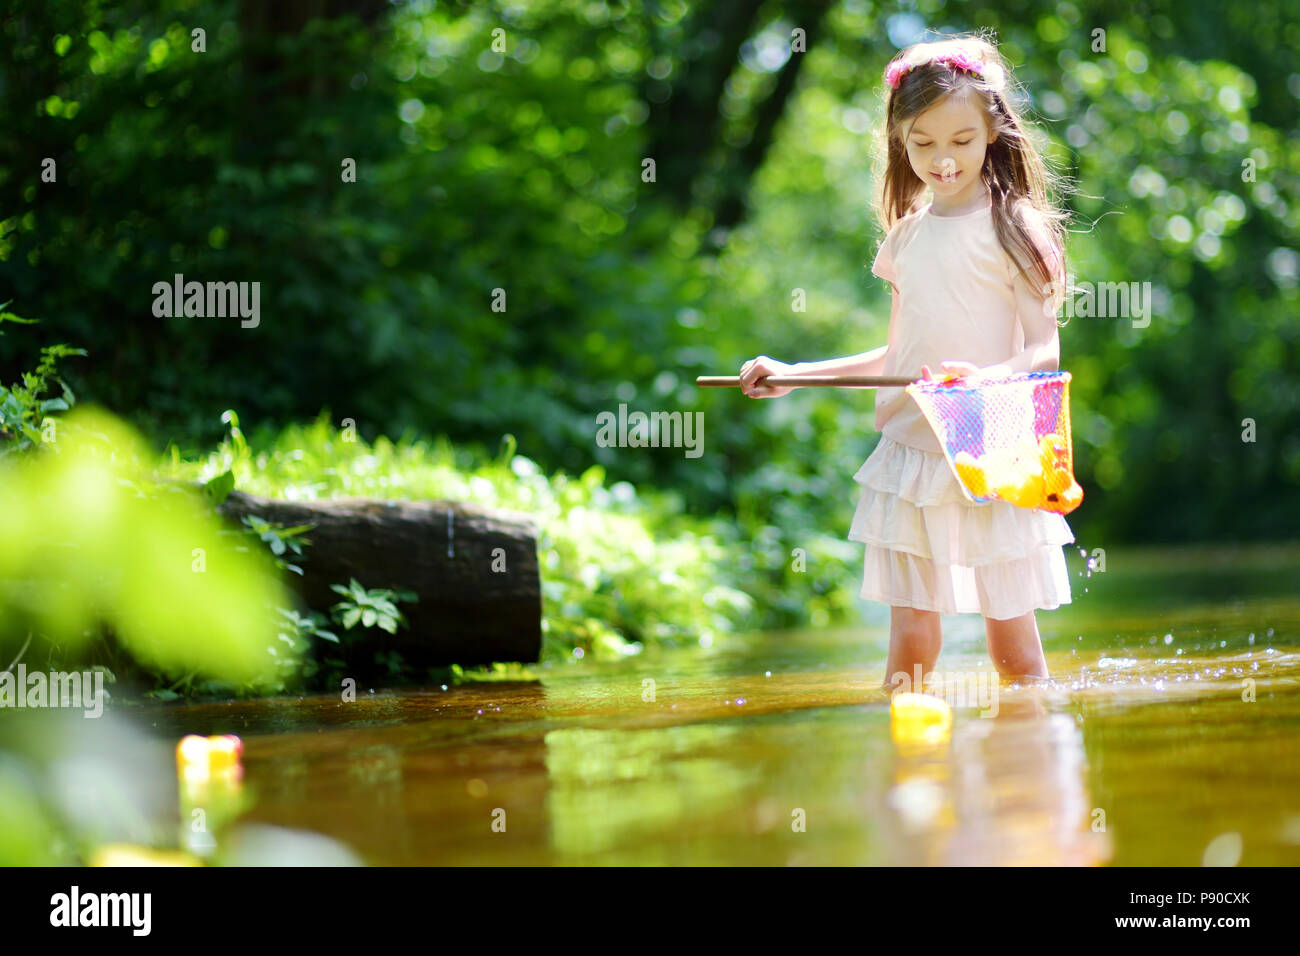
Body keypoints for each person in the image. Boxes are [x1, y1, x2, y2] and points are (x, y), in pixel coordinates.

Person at [738, 33, 1076, 691]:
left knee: (1013, 649)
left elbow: (1043, 350)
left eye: (960, 141)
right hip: (913, 449)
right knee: (911, 647)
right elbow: (898, 357)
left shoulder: (1016, 227)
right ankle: (912, 779)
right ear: (899, 140)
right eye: (923, 144)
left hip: (996, 441)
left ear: (993, 133)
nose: (943, 160)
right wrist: (792, 373)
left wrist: (989, 380)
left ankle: (1029, 773)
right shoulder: (908, 234)